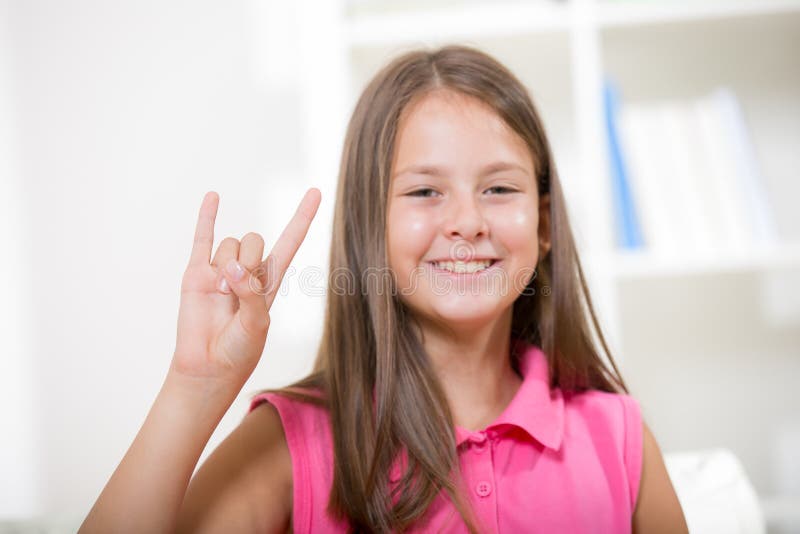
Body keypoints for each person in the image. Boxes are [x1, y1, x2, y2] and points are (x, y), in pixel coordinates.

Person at [80, 45, 687, 533]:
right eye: (425, 192)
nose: (467, 221)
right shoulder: (290, 443)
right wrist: (195, 387)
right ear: (372, 225)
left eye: (499, 189)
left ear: (545, 225)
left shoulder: (619, 438)